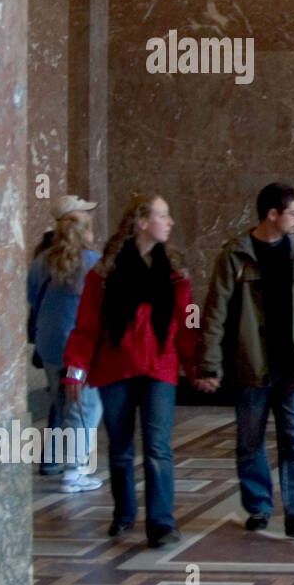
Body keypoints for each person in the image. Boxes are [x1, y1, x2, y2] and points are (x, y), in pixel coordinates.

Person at [63, 194, 198, 546]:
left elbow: (185, 324)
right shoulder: (104, 273)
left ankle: (161, 523)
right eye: (162, 216)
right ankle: (123, 513)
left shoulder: (175, 273)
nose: (169, 222)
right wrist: (75, 370)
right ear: (141, 223)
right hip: (115, 367)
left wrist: (198, 368)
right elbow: (87, 325)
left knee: (158, 446)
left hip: (159, 367)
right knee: (121, 447)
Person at [196, 183, 294, 538]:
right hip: (251, 363)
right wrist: (208, 364)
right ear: (273, 214)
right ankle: (258, 508)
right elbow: (215, 312)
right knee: (250, 441)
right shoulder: (236, 255)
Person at [28, 196, 103, 491]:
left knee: (59, 401)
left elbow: (32, 296)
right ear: (85, 232)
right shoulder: (93, 263)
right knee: (86, 407)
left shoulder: (41, 261)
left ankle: (54, 460)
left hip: (49, 343)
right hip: (79, 348)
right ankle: (75, 471)